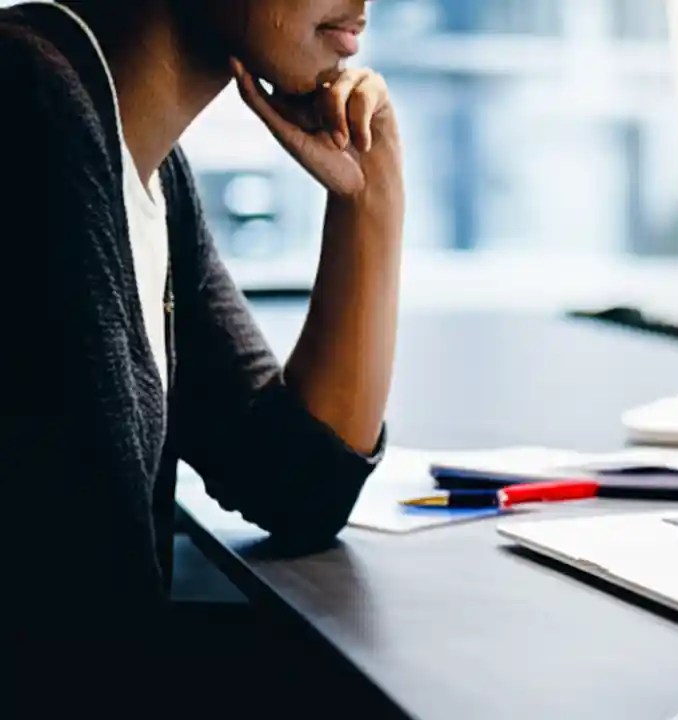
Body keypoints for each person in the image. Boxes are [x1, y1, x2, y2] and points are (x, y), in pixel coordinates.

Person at [0, 0, 403, 710]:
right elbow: (89, 623)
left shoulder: (145, 166)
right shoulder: (28, 107)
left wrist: (371, 202)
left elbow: (296, 482)